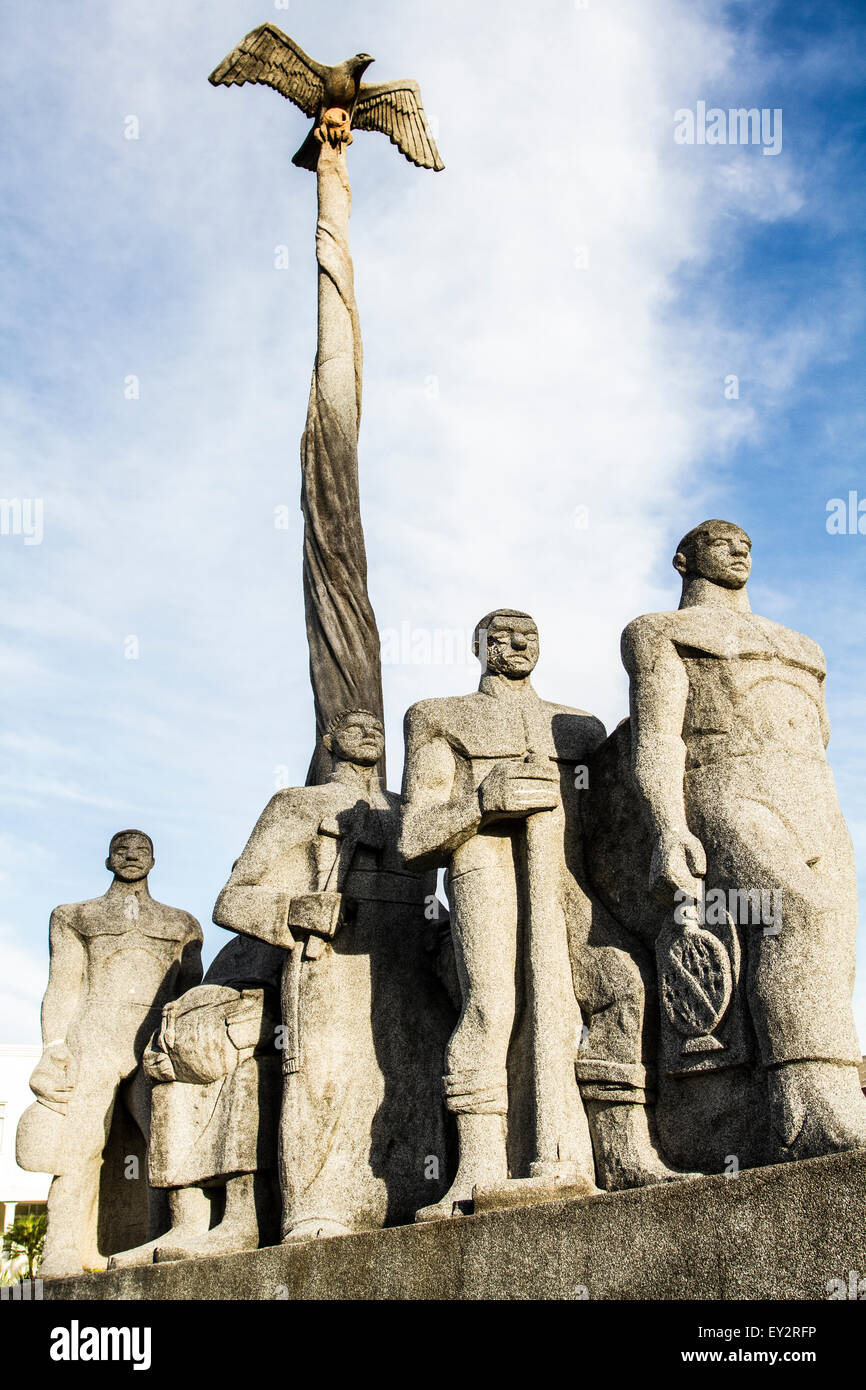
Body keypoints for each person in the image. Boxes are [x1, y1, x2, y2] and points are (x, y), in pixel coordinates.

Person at [622, 520, 866, 1158]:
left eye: (747, 541)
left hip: (813, 796)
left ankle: (824, 1087)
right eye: (720, 540)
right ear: (684, 559)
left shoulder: (803, 646)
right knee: (797, 913)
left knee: (837, 940)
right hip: (726, 784)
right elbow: (657, 739)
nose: (739, 548)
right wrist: (668, 825)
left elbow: (820, 737)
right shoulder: (661, 632)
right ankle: (808, 1104)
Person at [213, 709, 456, 1242]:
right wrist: (295, 910)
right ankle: (316, 1209)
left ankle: (414, 1194)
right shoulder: (296, 804)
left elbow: (432, 898)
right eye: (354, 725)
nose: (369, 730)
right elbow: (233, 898)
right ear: (330, 740)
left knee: (411, 1078)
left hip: (409, 962)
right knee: (324, 1080)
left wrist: (444, 930)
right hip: (332, 961)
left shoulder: (410, 809)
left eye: (377, 726)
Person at [20, 830, 202, 1278]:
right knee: (79, 1143)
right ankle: (62, 1248)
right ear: (108, 859)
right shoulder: (75, 916)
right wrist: (54, 1048)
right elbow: (63, 985)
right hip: (94, 1035)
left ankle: (168, 1239)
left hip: (153, 1036)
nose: (132, 857)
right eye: (123, 850)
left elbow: (191, 994)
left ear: (155, 860)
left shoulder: (182, 925)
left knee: (167, 1138)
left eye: (141, 850)